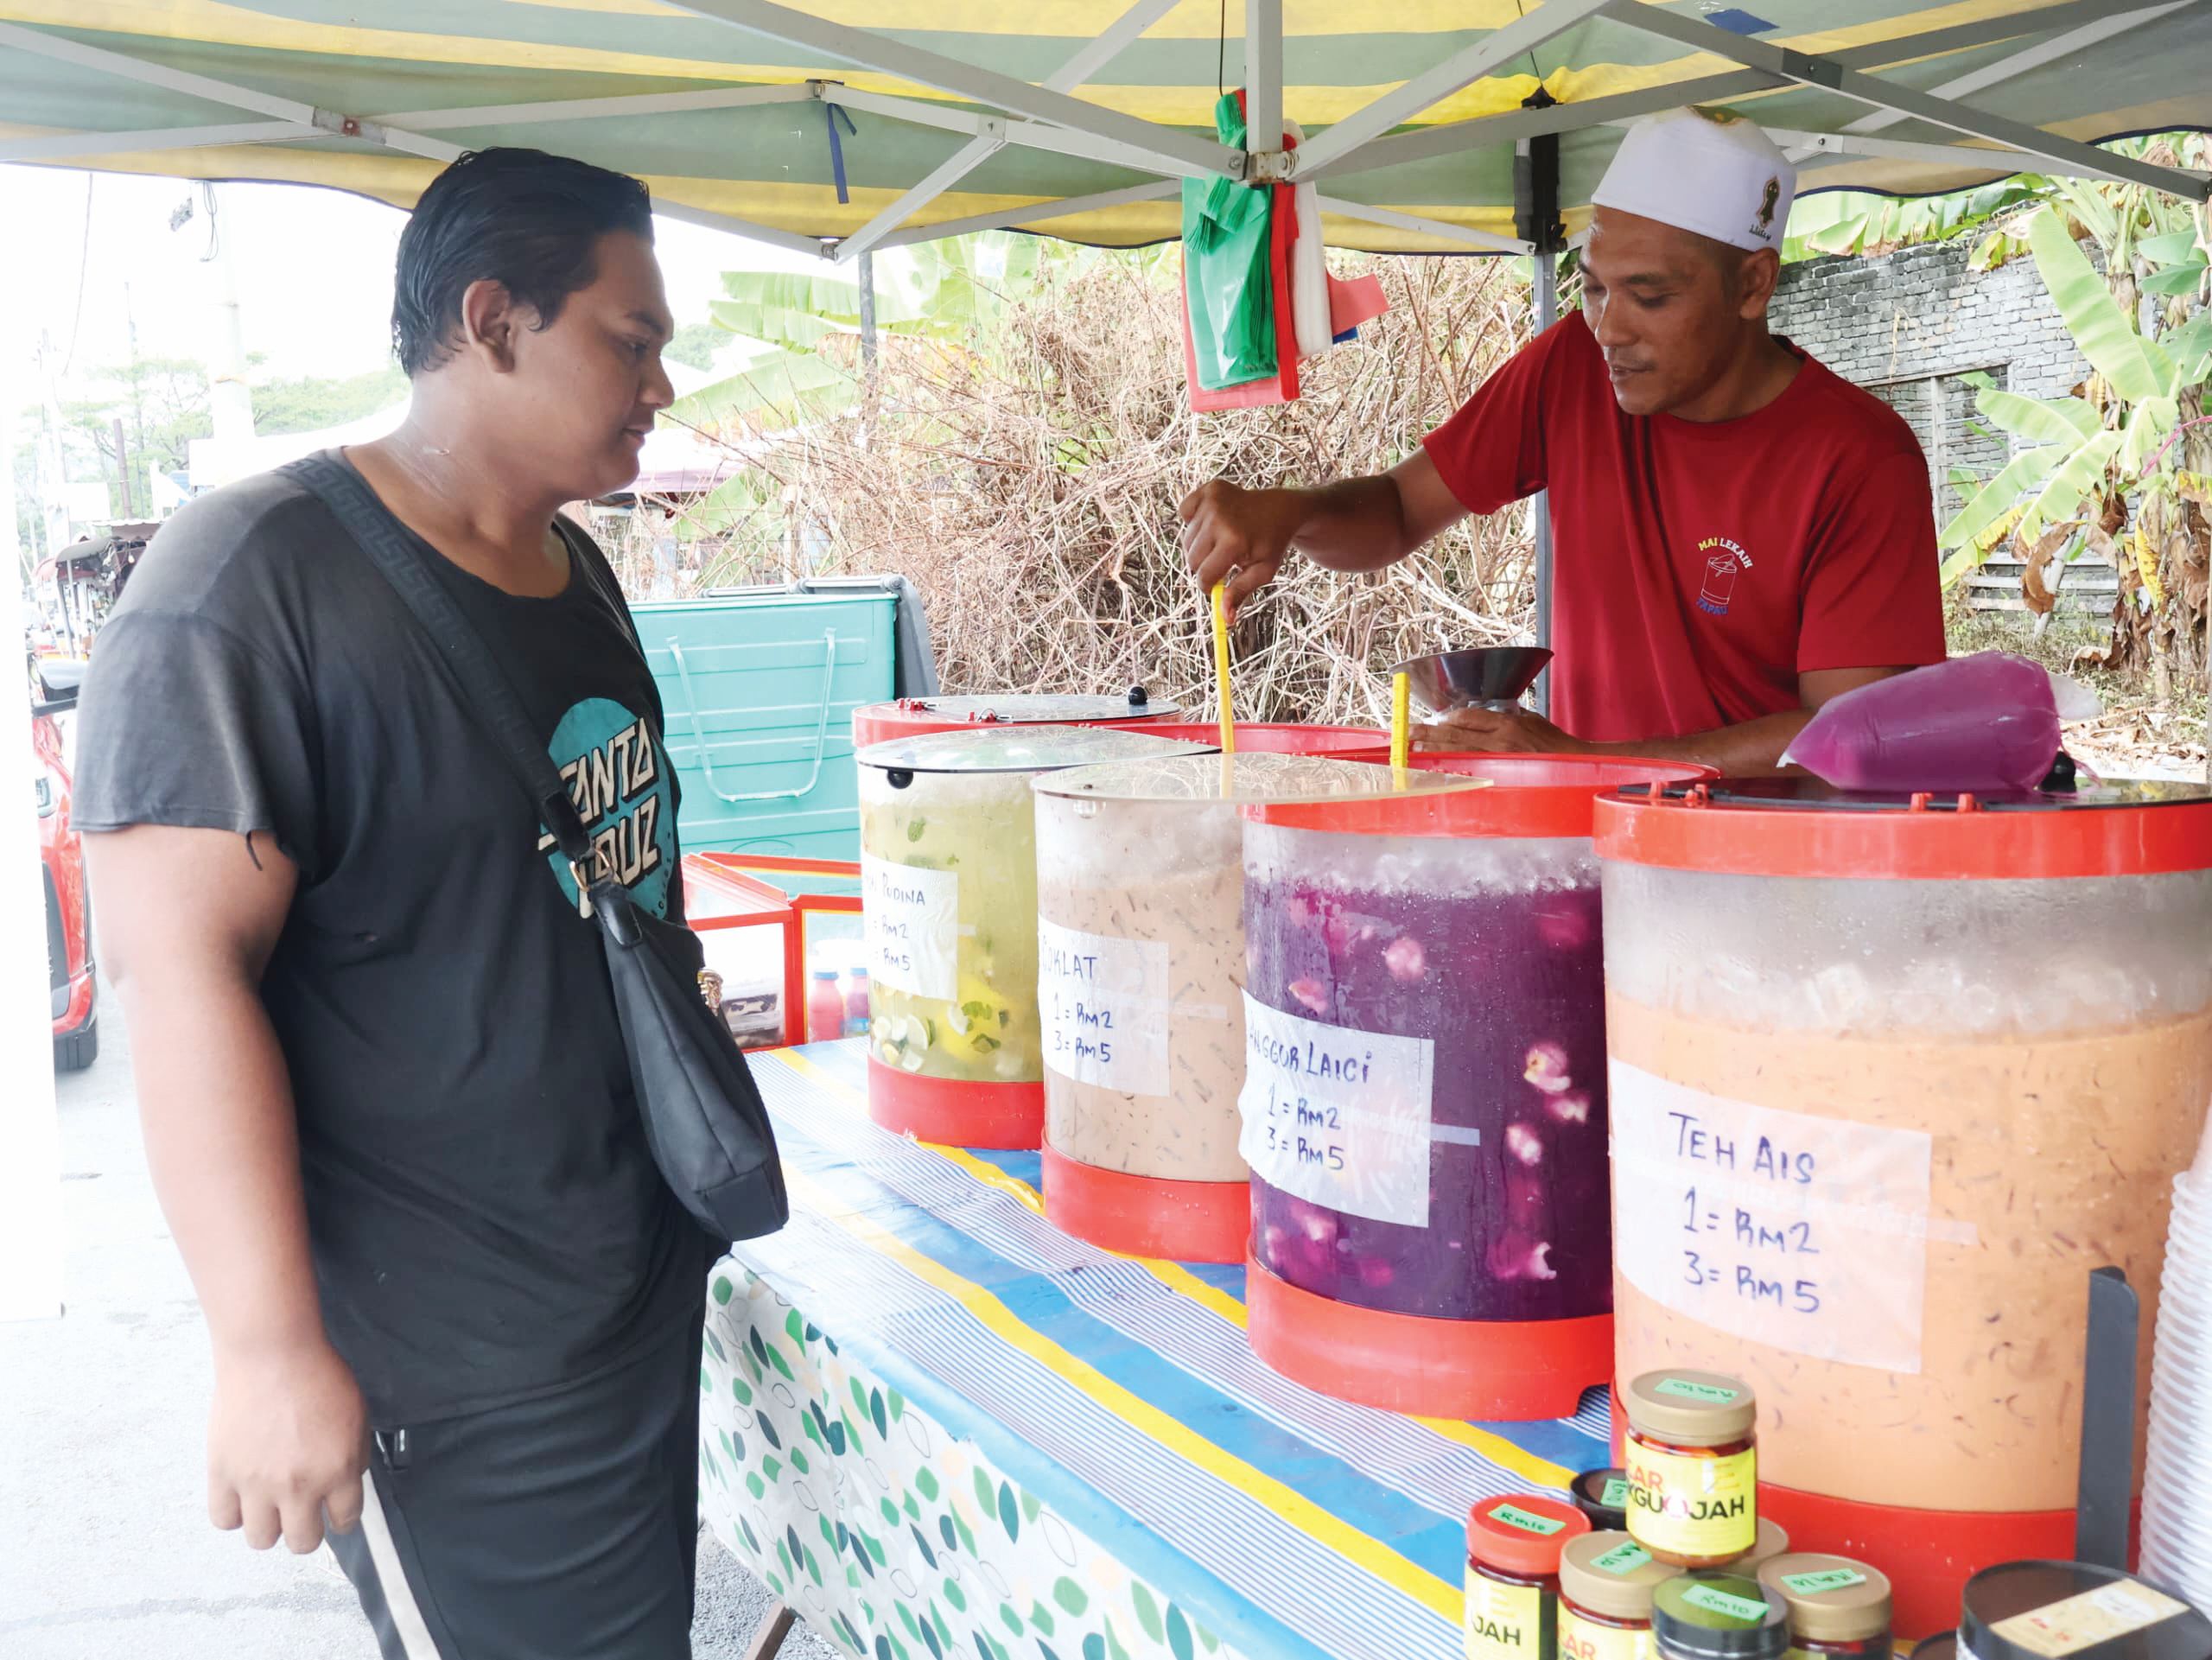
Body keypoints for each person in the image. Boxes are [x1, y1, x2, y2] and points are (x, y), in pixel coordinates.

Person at [75, 149, 710, 1658]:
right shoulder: (247, 587)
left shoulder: (576, 573)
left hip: (632, 1279)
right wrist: (266, 1349)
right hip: (457, 1361)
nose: (661, 385)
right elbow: (178, 975)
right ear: (493, 321)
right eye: (631, 339)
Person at [1180, 107, 1946, 771]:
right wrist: (1293, 513)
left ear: (1753, 284)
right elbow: (1398, 510)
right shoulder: (1574, 367)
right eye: (1595, 286)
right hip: (1590, 846)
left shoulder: (1858, 458)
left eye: (1650, 296)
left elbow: (1850, 738)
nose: (1609, 327)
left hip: (1761, 866)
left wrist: (1584, 762)